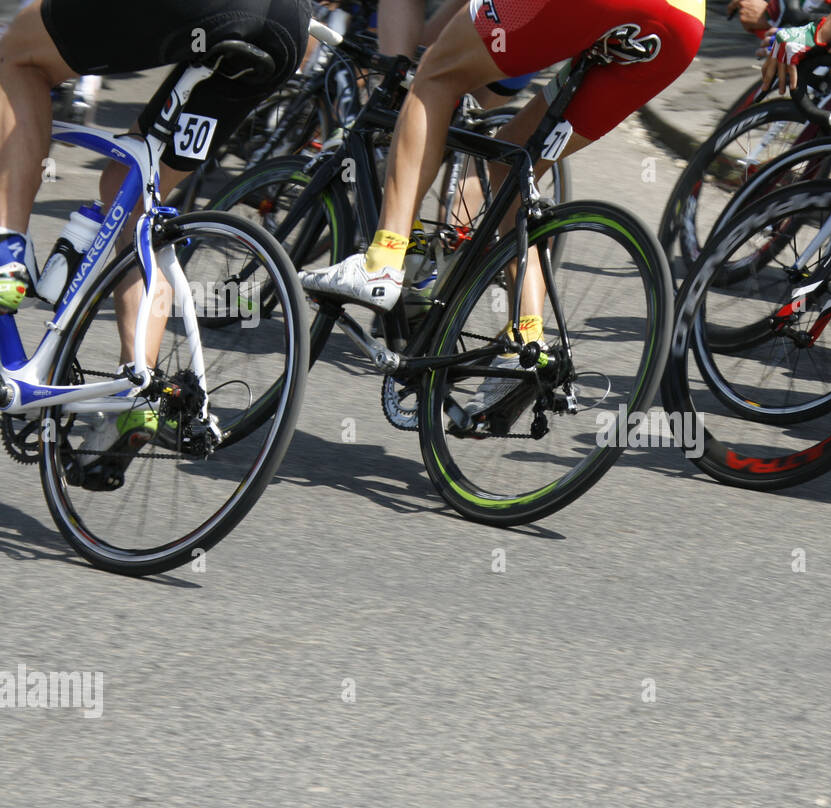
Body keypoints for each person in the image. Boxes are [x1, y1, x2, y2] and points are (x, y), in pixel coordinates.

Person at [300, 0, 704, 421]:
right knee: (511, 160)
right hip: (679, 26)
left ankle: (384, 259)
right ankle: (526, 342)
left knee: (435, 75)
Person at [0, 0, 310, 484]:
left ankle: (6, 252)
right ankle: (138, 394)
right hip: (287, 27)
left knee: (20, 53)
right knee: (131, 189)